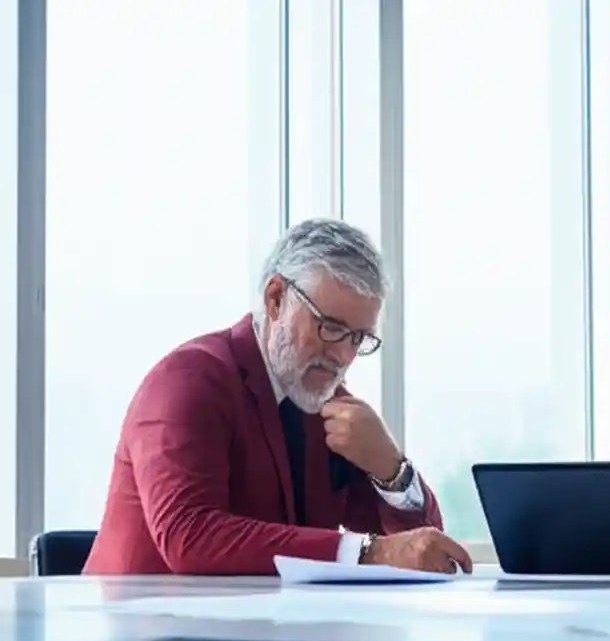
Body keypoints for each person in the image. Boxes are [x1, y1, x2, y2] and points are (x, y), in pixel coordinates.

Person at [84, 219, 473, 575]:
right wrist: (366, 552)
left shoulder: (329, 407)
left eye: (359, 338)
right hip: (142, 639)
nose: (343, 354)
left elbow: (423, 553)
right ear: (275, 300)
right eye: (330, 327)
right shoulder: (188, 379)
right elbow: (189, 537)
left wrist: (392, 471)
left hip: (270, 637)